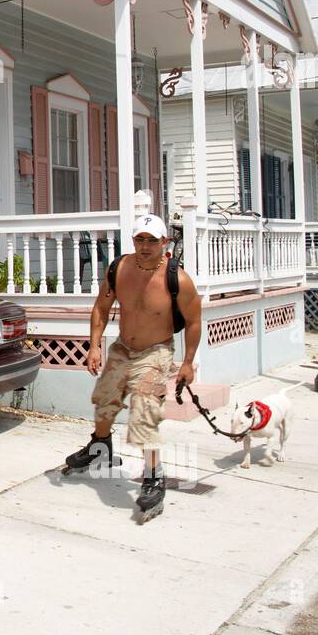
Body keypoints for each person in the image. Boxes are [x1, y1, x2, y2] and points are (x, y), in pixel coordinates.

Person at [61, 214, 202, 522]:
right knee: (104, 401)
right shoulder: (119, 269)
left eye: (152, 240)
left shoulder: (178, 279)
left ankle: (154, 476)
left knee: (144, 410)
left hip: (156, 351)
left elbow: (193, 322)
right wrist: (94, 345)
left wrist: (188, 363)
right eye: (140, 239)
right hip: (123, 348)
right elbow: (101, 307)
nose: (145, 246)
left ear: (165, 243)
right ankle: (101, 447)